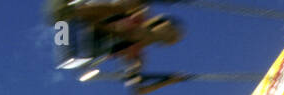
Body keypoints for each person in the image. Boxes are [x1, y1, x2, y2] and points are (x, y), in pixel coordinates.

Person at [48, 1, 183, 86]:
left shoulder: (137, 53)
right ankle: (71, 10)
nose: (169, 35)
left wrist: (166, 81)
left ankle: (71, 12)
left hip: (81, 44)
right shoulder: (139, 14)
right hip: (76, 24)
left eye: (171, 36)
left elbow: (136, 87)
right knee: (125, 9)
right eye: (171, 31)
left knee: (124, 24)